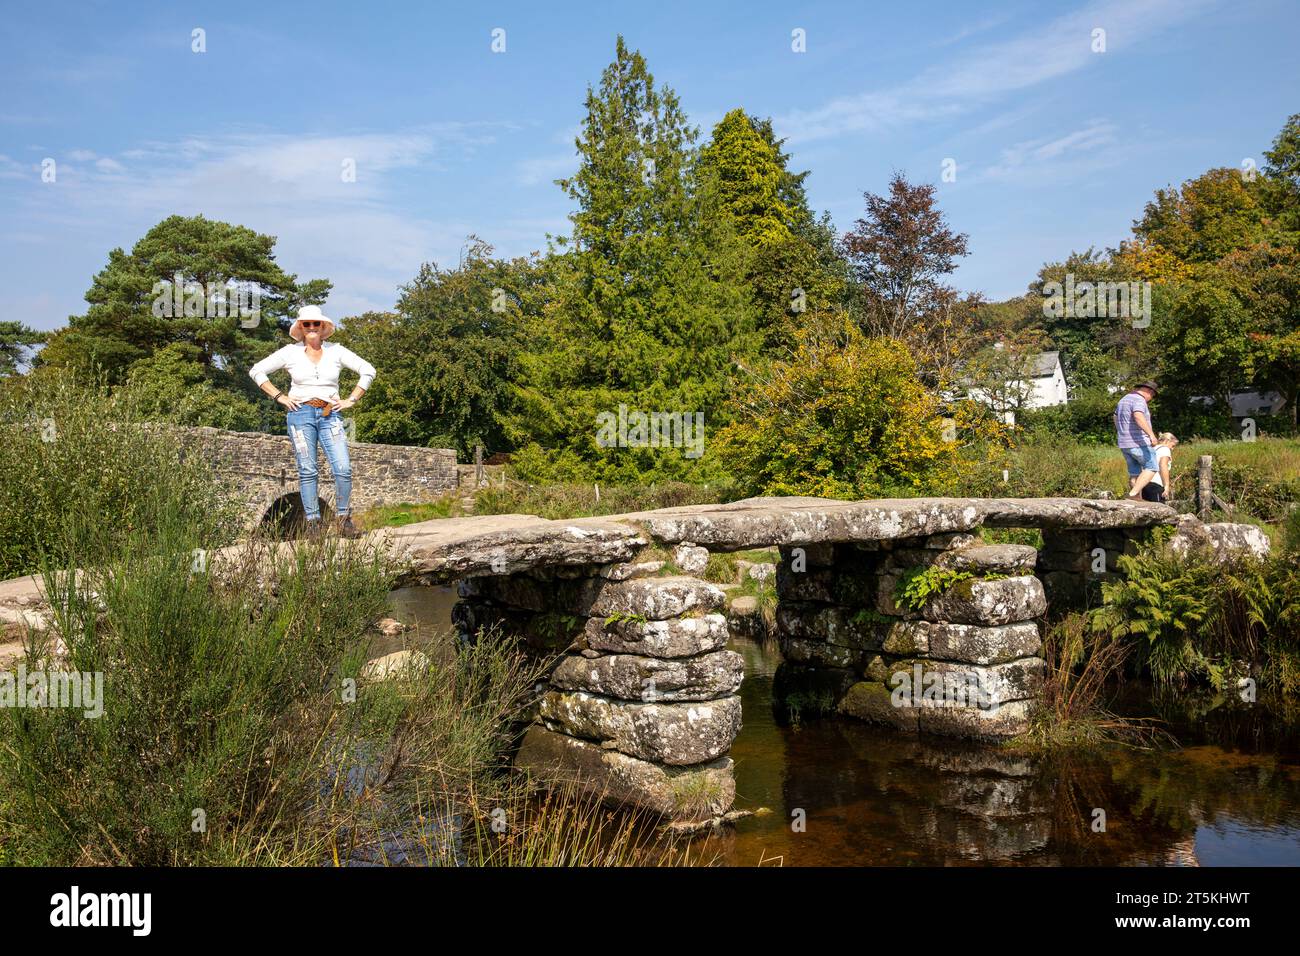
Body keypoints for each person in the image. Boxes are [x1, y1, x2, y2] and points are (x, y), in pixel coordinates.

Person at [249, 305, 376, 538]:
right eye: (306, 324)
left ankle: (344, 519)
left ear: (322, 326)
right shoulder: (290, 352)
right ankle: (313, 523)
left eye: (315, 324)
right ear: (300, 327)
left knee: (343, 468)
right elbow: (257, 371)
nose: (311, 328)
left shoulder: (337, 351)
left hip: (330, 413)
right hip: (300, 415)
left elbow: (368, 370)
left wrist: (351, 399)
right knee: (308, 470)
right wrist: (280, 397)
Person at [1114, 381, 1160, 500]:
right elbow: (1138, 416)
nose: (1151, 399)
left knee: (1134, 472)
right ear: (1150, 392)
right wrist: (1151, 435)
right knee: (1152, 467)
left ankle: (1136, 499)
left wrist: (1121, 431)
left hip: (1124, 443)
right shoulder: (1139, 400)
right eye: (1152, 396)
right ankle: (1132, 494)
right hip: (1138, 442)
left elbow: (1115, 417)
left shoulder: (1123, 399)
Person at [1140, 432, 1179, 502]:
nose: (1172, 449)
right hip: (1155, 484)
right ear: (1167, 441)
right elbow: (1163, 466)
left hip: (1144, 484)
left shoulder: (1152, 449)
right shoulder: (1165, 449)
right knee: (1159, 509)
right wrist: (1166, 486)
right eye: (1173, 446)